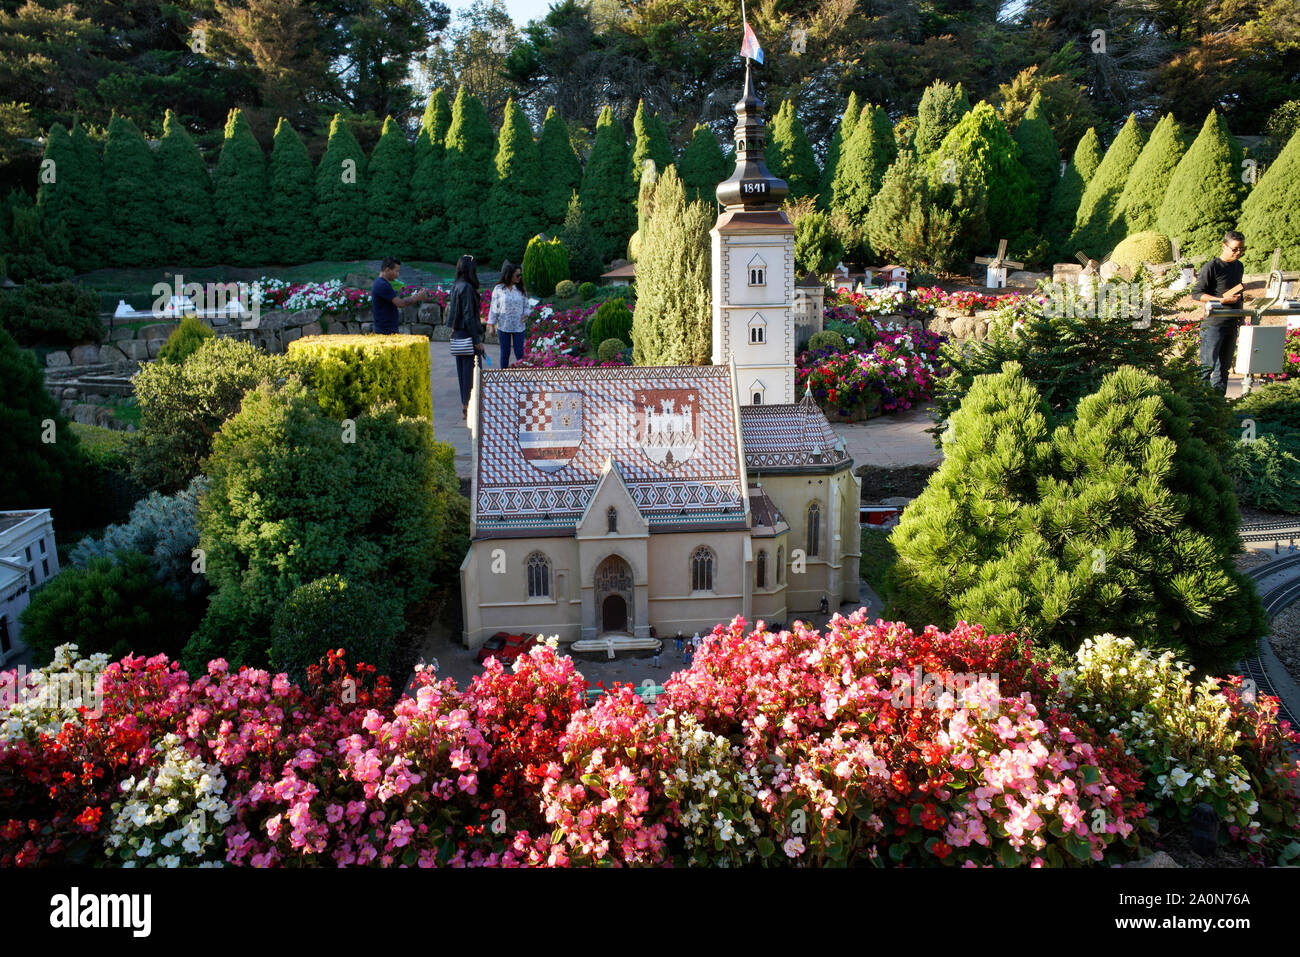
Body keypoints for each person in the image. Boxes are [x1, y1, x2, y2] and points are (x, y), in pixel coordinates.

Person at [1192, 231, 1247, 394]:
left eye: (1242, 249)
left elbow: (1239, 294)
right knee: (1207, 367)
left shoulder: (1239, 266)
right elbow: (1196, 293)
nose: (1238, 253)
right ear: (1224, 246)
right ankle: (1200, 404)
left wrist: (1241, 315)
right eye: (1235, 249)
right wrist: (1221, 301)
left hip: (1231, 322)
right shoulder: (1211, 267)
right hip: (1214, 324)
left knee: (1224, 369)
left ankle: (1219, 407)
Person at [446, 255, 485, 416]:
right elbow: (469, 316)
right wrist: (477, 340)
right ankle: (472, 405)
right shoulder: (467, 288)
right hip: (468, 334)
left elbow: (454, 313)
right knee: (473, 370)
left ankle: (466, 404)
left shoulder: (456, 285)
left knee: (462, 371)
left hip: (459, 333)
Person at [486, 262, 529, 369]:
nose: (519, 277)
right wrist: (491, 325)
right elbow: (494, 307)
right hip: (503, 326)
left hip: (519, 326)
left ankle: (523, 375)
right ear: (509, 275)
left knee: (519, 352)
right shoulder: (499, 289)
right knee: (505, 353)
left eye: (520, 275)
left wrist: (526, 314)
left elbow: (527, 306)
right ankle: (503, 375)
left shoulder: (521, 289)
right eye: (517, 275)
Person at [371, 257, 429, 334]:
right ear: (387, 270)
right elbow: (400, 303)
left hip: (386, 328)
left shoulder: (381, 283)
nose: (397, 274)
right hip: (385, 330)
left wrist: (415, 296)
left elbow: (397, 301)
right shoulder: (382, 285)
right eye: (396, 271)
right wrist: (417, 297)